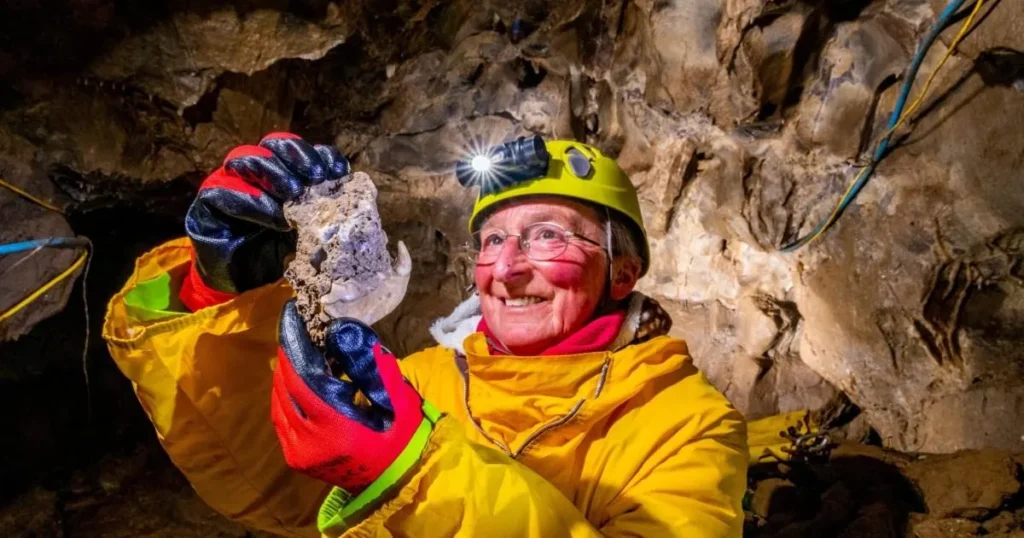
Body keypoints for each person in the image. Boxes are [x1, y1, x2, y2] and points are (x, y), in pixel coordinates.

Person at [103, 132, 748, 537]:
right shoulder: (423, 380)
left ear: (622, 272)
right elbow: (275, 498)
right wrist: (219, 297)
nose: (507, 266)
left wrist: (418, 477)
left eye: (547, 235)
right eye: (492, 239)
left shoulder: (686, 424)